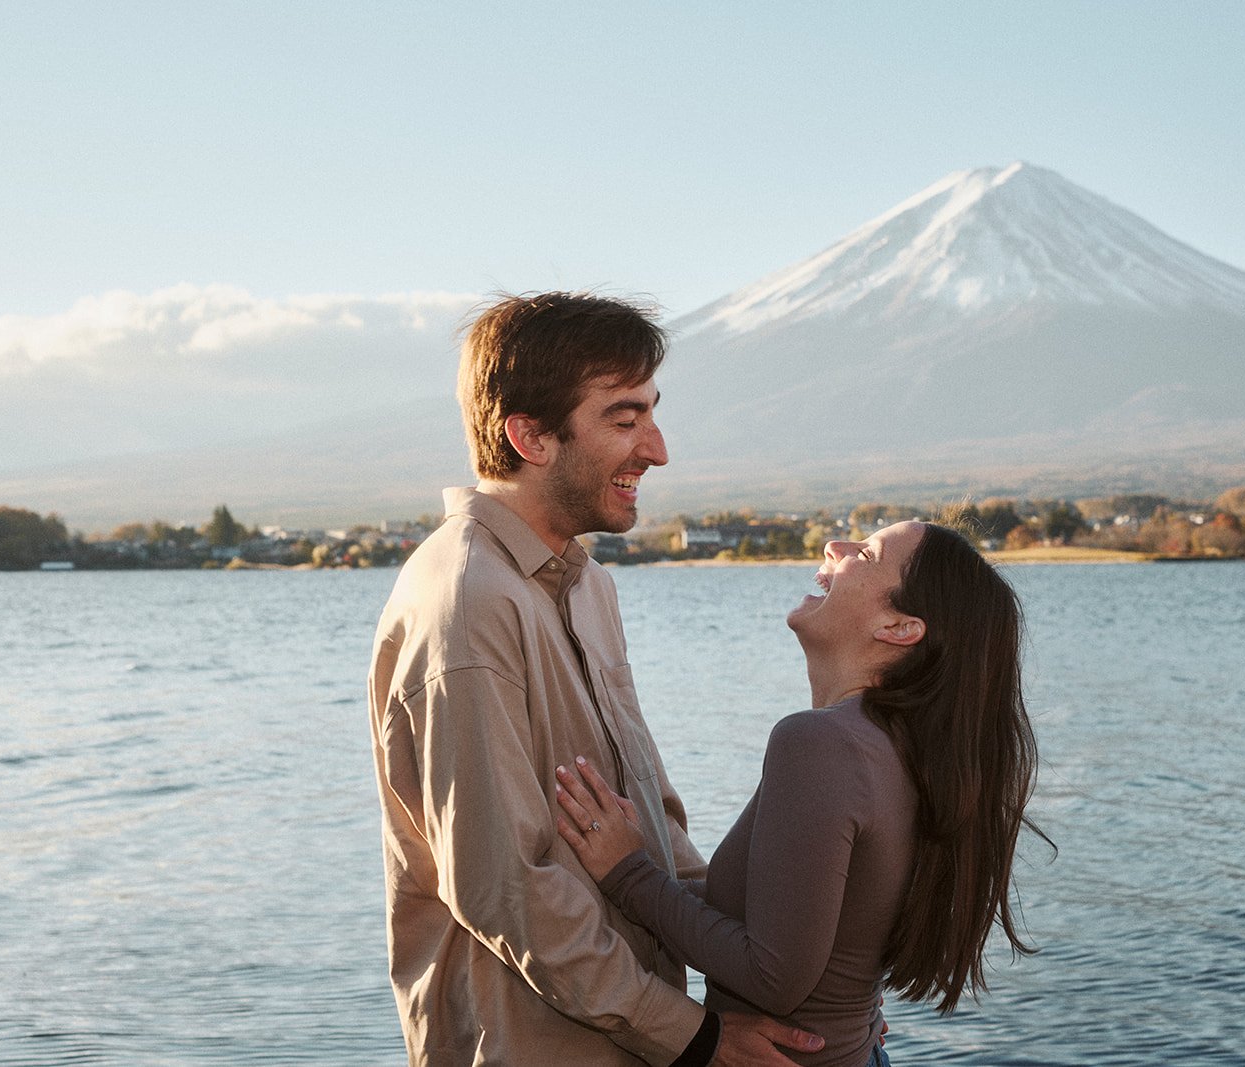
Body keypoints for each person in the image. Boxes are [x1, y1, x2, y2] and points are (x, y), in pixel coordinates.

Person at [368, 291, 825, 1065]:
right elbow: (506, 888)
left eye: (651, 413)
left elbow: (654, 820)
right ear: (530, 435)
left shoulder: (586, 586)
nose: (657, 448)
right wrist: (696, 1036)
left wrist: (810, 994)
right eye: (624, 418)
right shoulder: (467, 603)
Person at [555, 520, 1044, 1066]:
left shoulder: (821, 743)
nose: (835, 546)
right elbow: (813, 941)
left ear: (901, 626)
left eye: (867, 553)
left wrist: (629, 874)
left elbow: (773, 978)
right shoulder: (905, 753)